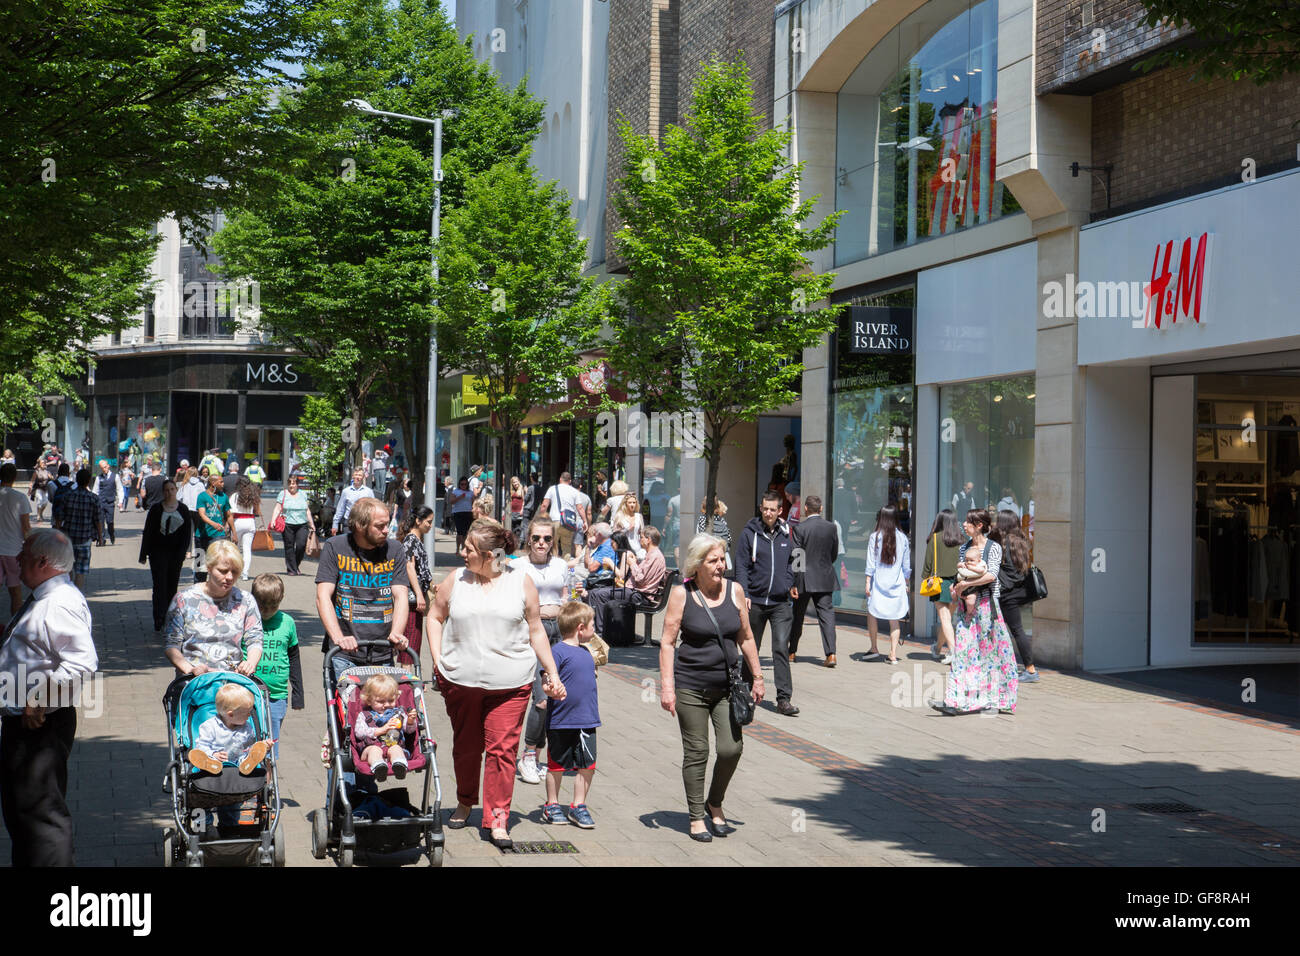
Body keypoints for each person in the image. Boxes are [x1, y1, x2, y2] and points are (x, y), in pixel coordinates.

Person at [425, 517, 566, 849]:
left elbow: (536, 630)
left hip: (511, 684)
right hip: (460, 682)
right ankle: (464, 801)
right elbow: (434, 616)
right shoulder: (457, 579)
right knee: (467, 747)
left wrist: (552, 672)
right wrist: (437, 658)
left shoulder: (521, 582)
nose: (462, 553)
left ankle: (498, 817)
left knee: (503, 750)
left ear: (490, 555)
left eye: (469, 549)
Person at [0, 530, 99, 866]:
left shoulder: (59, 602)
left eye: (23, 554)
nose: (16, 560)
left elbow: (83, 662)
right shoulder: (49, 597)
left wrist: (38, 697)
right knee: (25, 816)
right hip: (31, 724)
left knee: (42, 820)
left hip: (38, 724)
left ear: (42, 561)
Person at [658, 534, 764, 842]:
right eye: (713, 560)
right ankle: (695, 817)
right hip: (691, 686)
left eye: (722, 560)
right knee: (698, 751)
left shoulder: (735, 591)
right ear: (698, 563)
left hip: (727, 687)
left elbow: (745, 637)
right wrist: (667, 687)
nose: (720, 566)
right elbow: (667, 643)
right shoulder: (682, 594)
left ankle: (714, 801)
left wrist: (757, 676)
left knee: (731, 749)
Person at [929, 509, 1019, 715]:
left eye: (969, 522)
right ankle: (954, 700)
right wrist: (957, 587)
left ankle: (994, 698)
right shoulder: (964, 547)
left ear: (979, 525)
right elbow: (961, 573)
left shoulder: (994, 547)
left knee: (990, 655)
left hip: (987, 607)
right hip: (965, 609)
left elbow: (991, 575)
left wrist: (964, 585)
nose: (964, 524)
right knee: (961, 653)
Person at [315, 497, 409, 681]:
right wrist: (339, 638)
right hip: (344, 653)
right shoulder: (336, 547)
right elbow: (323, 596)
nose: (386, 530)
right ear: (359, 525)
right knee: (343, 708)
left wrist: (397, 633)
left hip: (382, 651)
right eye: (380, 526)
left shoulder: (395, 549)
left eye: (387, 524)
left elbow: (401, 595)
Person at [511, 516, 571, 784]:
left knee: (558, 694)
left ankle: (543, 755)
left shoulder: (560, 565)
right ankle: (527, 755)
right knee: (541, 698)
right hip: (533, 631)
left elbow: (566, 596)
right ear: (528, 539)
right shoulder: (516, 566)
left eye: (547, 538)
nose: (541, 543)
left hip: (560, 630)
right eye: (536, 538)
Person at [538, 601, 601, 829]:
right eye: (593, 624)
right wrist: (549, 689)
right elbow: (546, 677)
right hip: (561, 720)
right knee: (556, 765)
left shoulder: (586, 652)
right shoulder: (557, 652)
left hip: (587, 719)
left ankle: (578, 805)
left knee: (587, 765)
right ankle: (552, 804)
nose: (595, 628)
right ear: (580, 627)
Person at [735, 491, 798, 715]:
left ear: (780, 510)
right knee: (752, 647)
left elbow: (796, 558)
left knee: (781, 647)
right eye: (765, 508)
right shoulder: (749, 532)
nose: (768, 513)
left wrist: (791, 581)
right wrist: (745, 594)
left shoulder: (788, 532)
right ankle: (743, 692)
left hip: (780, 602)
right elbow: (741, 564)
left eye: (773, 509)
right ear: (761, 508)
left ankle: (783, 699)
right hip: (756, 601)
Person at [163, 539, 263, 676]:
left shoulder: (246, 600)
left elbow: (255, 639)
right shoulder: (183, 599)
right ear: (209, 567)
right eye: (223, 571)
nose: (229, 577)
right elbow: (172, 644)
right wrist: (190, 670)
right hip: (194, 682)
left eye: (235, 571)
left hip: (232, 683)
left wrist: (250, 663)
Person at [250, 573, 303, 759]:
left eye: (272, 606)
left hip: (276, 695)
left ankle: (269, 784)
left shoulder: (287, 622)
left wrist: (298, 694)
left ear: (280, 600)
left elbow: (294, 658)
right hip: (248, 692)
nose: (266, 611)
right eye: (261, 606)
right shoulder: (248, 620)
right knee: (248, 742)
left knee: (269, 747)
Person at [585, 526, 666, 646]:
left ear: (648, 539)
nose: (639, 540)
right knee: (594, 593)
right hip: (635, 591)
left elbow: (640, 579)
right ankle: (595, 631)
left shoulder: (655, 556)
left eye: (641, 537)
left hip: (640, 595)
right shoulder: (651, 555)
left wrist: (633, 564)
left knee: (600, 595)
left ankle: (601, 634)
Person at [790, 495, 841, 667]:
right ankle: (831, 654)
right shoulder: (831, 527)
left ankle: (791, 651)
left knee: (797, 615)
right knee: (827, 616)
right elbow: (833, 553)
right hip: (825, 576)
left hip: (804, 577)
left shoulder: (800, 528)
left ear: (805, 509)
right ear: (820, 509)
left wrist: (794, 582)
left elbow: (797, 557)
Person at [139, 479, 191, 632]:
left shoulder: (183, 509)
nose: (169, 492)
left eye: (172, 489)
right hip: (158, 553)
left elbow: (187, 534)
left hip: (175, 554)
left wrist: (184, 552)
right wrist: (143, 554)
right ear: (163, 492)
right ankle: (158, 618)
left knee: (171, 586)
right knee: (159, 585)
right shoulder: (156, 509)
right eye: (166, 490)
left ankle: (171, 617)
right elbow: (148, 532)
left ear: (176, 490)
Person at [993, 509, 1038, 683]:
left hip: (1007, 594)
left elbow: (1008, 573)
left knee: (1015, 630)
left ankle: (1031, 670)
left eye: (998, 521)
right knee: (1012, 630)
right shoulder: (1022, 541)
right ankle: (1006, 665)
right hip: (1019, 592)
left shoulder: (1004, 544)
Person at [188, 684, 271, 776]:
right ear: (230, 714)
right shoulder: (209, 727)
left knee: (246, 757)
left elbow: (249, 746)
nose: (249, 715)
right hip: (217, 761)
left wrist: (263, 747)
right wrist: (214, 754)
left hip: (239, 762)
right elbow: (202, 745)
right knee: (205, 756)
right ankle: (210, 764)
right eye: (246, 713)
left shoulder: (247, 728)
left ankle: (248, 764)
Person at [864, 506, 911, 664]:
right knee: (894, 618)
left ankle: (874, 647)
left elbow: (870, 563)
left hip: (878, 582)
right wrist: (906, 583)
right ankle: (892, 653)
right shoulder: (903, 538)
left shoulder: (875, 537)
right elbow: (906, 565)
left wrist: (867, 582)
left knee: (872, 613)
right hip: (896, 583)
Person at [353, 674, 417, 781]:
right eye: (381, 701)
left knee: (396, 749)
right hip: (370, 748)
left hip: (393, 747)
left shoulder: (399, 713)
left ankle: (399, 765)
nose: (386, 704)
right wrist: (381, 730)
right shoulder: (364, 715)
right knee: (375, 750)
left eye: (391, 700)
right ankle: (379, 768)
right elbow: (359, 733)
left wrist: (410, 720)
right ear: (369, 700)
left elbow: (409, 730)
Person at [921, 509, 963, 664]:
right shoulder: (961, 540)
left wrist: (925, 578)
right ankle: (938, 648)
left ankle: (953, 651)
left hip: (939, 583)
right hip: (958, 583)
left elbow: (928, 564)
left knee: (945, 619)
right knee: (948, 619)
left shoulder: (935, 538)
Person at [400, 506, 435, 668]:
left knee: (415, 637)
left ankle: (411, 676)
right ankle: (408, 678)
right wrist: (420, 594)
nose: (430, 525)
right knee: (411, 636)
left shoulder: (415, 540)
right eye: (428, 522)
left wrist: (432, 586)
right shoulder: (411, 540)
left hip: (415, 596)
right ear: (418, 521)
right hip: (412, 598)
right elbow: (409, 567)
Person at [58, 469, 101, 592]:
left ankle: (68, 593)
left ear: (76, 480)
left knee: (68, 568)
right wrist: (101, 537)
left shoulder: (67, 496)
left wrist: (57, 532)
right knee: (80, 571)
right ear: (88, 481)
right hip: (85, 540)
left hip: (68, 539)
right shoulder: (94, 498)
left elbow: (59, 517)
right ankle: (77, 595)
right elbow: (98, 520)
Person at [0, 462, 33, 617]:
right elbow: (26, 527)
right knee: (15, 592)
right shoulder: (20, 498)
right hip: (13, 550)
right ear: (14, 478)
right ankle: (14, 628)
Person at [271, 474, 315, 576]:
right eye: (290, 483)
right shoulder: (283, 494)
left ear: (297, 484)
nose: (291, 486)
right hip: (287, 524)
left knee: (301, 545)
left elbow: (307, 510)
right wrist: (273, 520)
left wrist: (311, 523)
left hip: (302, 524)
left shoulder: (303, 494)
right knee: (289, 546)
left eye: (294, 483)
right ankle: (292, 569)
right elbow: (277, 508)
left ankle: (295, 565)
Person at [226, 476, 264, 581]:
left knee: (235, 548)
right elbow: (257, 512)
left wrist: (229, 527)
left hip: (238, 522)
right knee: (247, 549)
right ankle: (245, 574)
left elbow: (231, 514)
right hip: (250, 522)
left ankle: (235, 571)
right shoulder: (254, 496)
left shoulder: (235, 496)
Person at [542, 472, 585, 558]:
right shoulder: (574, 491)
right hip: (568, 522)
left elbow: (544, 505)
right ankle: (567, 568)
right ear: (570, 481)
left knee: (553, 545)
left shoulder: (552, 489)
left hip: (554, 520)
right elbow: (580, 508)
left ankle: (553, 567)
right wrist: (585, 521)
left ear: (560, 479)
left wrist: (541, 517)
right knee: (566, 547)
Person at [333, 467, 375, 534]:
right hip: (349, 524)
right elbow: (340, 509)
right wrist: (335, 524)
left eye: (360, 475)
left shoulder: (369, 492)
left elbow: (373, 509)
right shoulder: (346, 491)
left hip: (363, 523)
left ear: (363, 477)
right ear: (352, 476)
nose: (357, 477)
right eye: (356, 474)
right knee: (347, 544)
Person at [92, 459, 119, 546]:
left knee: (110, 522)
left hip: (110, 503)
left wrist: (121, 501)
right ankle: (102, 539)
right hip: (100, 503)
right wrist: (93, 502)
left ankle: (111, 534)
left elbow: (120, 489)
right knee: (101, 521)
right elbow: (95, 491)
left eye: (104, 467)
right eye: (102, 468)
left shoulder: (115, 476)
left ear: (108, 466)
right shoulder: (98, 478)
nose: (104, 469)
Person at [612, 492, 646, 559]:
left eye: (634, 502)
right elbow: (615, 535)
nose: (632, 505)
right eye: (630, 502)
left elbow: (642, 533)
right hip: (624, 549)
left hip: (637, 548)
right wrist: (627, 529)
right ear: (625, 504)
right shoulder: (620, 516)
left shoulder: (639, 516)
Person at [955, 546, 987, 615]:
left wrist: (971, 568)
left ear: (978, 560)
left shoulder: (980, 565)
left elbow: (981, 571)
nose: (968, 562)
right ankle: (955, 600)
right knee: (952, 589)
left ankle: (969, 612)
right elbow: (958, 565)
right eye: (966, 560)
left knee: (971, 601)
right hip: (962, 584)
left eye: (971, 560)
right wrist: (960, 564)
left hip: (973, 587)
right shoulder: (965, 564)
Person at [29, 460, 51, 524]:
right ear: (39, 464)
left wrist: (51, 477)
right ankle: (38, 515)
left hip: (45, 489)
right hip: (38, 488)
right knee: (40, 500)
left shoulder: (47, 471)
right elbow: (32, 480)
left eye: (44, 463)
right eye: (42, 463)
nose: (44, 464)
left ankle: (41, 513)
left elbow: (53, 479)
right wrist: (30, 489)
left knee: (45, 502)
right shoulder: (36, 471)